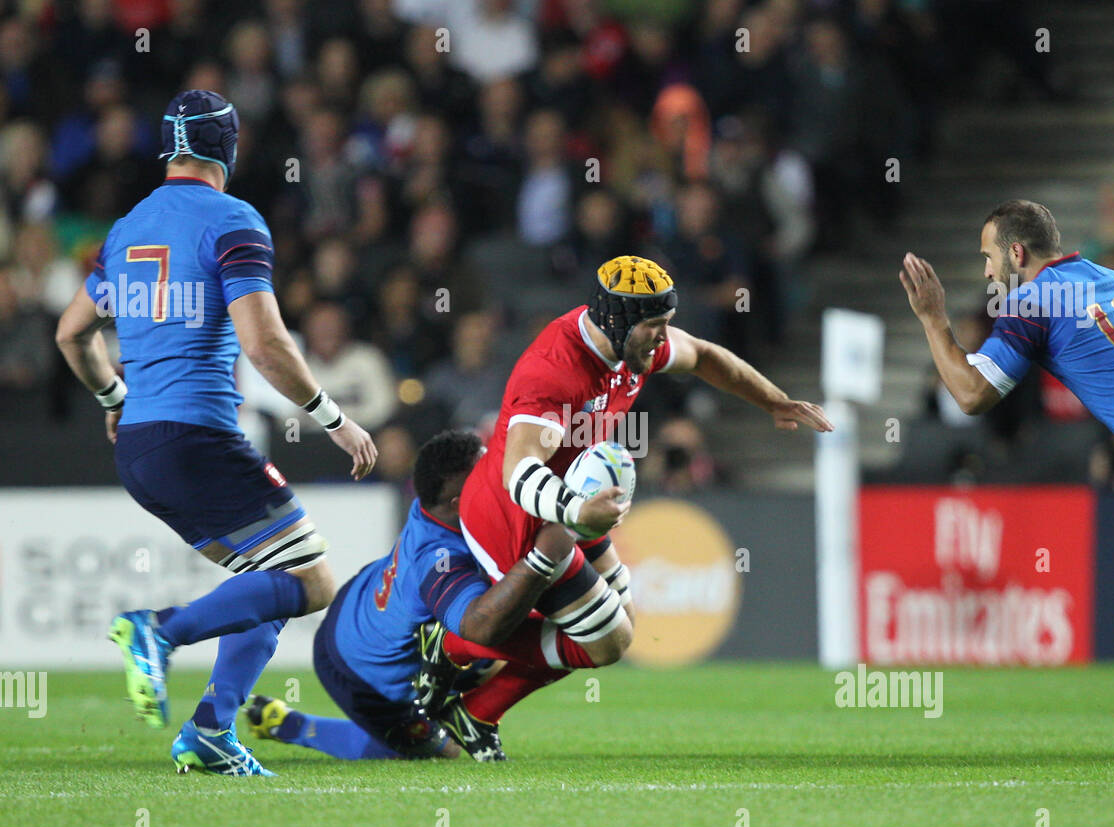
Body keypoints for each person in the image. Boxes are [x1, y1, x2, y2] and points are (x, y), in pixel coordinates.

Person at [54, 91, 377, 776]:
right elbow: (265, 344)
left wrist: (113, 396)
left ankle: (210, 730)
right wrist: (335, 418)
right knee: (312, 578)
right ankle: (160, 630)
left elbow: (71, 331)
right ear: (228, 149)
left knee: (270, 575)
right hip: (195, 435)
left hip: (141, 446)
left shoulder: (127, 228)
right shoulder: (233, 221)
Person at [902, 199, 1114, 762]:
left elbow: (969, 395)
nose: (987, 273)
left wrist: (933, 319)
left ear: (1016, 252)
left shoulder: (1032, 299)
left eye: (989, 257)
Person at [444, 254, 832, 735]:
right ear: (617, 320)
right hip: (515, 518)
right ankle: (454, 650)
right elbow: (518, 473)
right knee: (607, 642)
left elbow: (706, 357)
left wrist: (772, 399)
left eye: (665, 323)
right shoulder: (553, 371)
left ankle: (473, 707)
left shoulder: (634, 347)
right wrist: (579, 509)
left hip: (566, 508)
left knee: (621, 617)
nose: (664, 337)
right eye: (655, 326)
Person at [245, 429, 596, 762]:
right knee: (439, 750)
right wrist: (542, 560)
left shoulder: (442, 511)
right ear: (459, 500)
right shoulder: (440, 557)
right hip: (361, 673)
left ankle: (462, 703)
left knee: (527, 644)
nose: (497, 481)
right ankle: (293, 726)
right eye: (484, 479)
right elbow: (483, 624)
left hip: (362, 608)